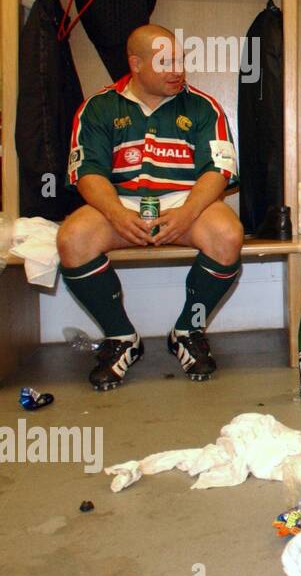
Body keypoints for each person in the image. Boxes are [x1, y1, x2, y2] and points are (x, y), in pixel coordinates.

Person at [57, 24, 243, 390]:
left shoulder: (203, 106)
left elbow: (218, 172)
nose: (177, 69)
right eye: (165, 62)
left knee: (228, 234)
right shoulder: (99, 107)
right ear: (136, 63)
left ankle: (188, 330)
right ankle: (121, 337)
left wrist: (187, 213)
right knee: (72, 238)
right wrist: (116, 213)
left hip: (184, 201)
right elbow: (87, 172)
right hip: (120, 202)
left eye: (180, 60)